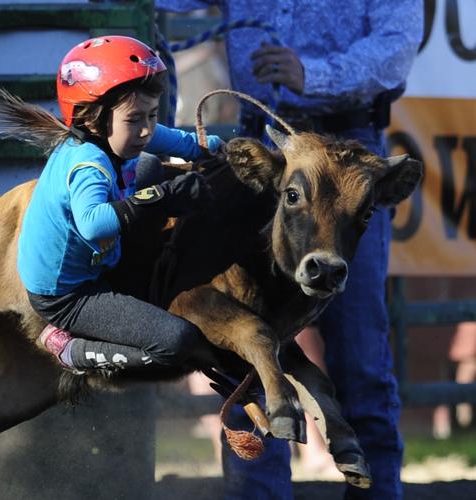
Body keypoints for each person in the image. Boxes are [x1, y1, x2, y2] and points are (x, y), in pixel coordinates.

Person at [155, 1, 424, 498]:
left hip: (348, 160)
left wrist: (311, 73)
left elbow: (397, 43)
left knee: (358, 358)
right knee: (242, 347)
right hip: (267, 159)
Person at [11, 35, 225, 374]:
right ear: (94, 120)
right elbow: (94, 224)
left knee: (149, 165)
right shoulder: (89, 164)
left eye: (152, 115)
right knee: (176, 343)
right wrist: (164, 196)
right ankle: (70, 349)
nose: (146, 129)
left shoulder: (120, 130)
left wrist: (214, 149)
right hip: (69, 294)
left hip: (98, 259)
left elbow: (168, 138)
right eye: (136, 120)